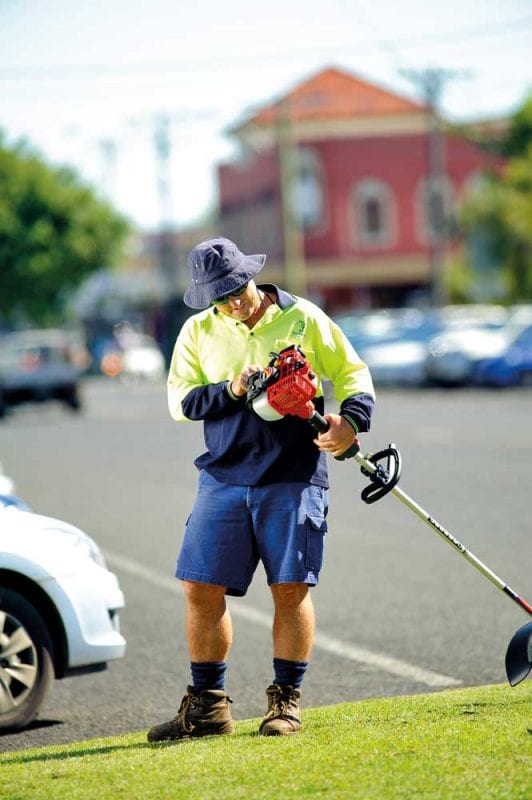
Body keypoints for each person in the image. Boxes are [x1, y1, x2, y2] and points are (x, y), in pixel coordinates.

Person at [147, 237, 375, 742]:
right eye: (218, 296)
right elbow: (180, 402)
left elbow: (354, 374)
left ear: (250, 275)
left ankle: (285, 702)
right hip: (223, 475)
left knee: (290, 590)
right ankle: (208, 708)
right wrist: (230, 390)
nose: (231, 301)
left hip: (293, 474)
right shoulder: (198, 330)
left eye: (235, 289)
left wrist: (351, 423)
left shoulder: (305, 318)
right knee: (199, 588)